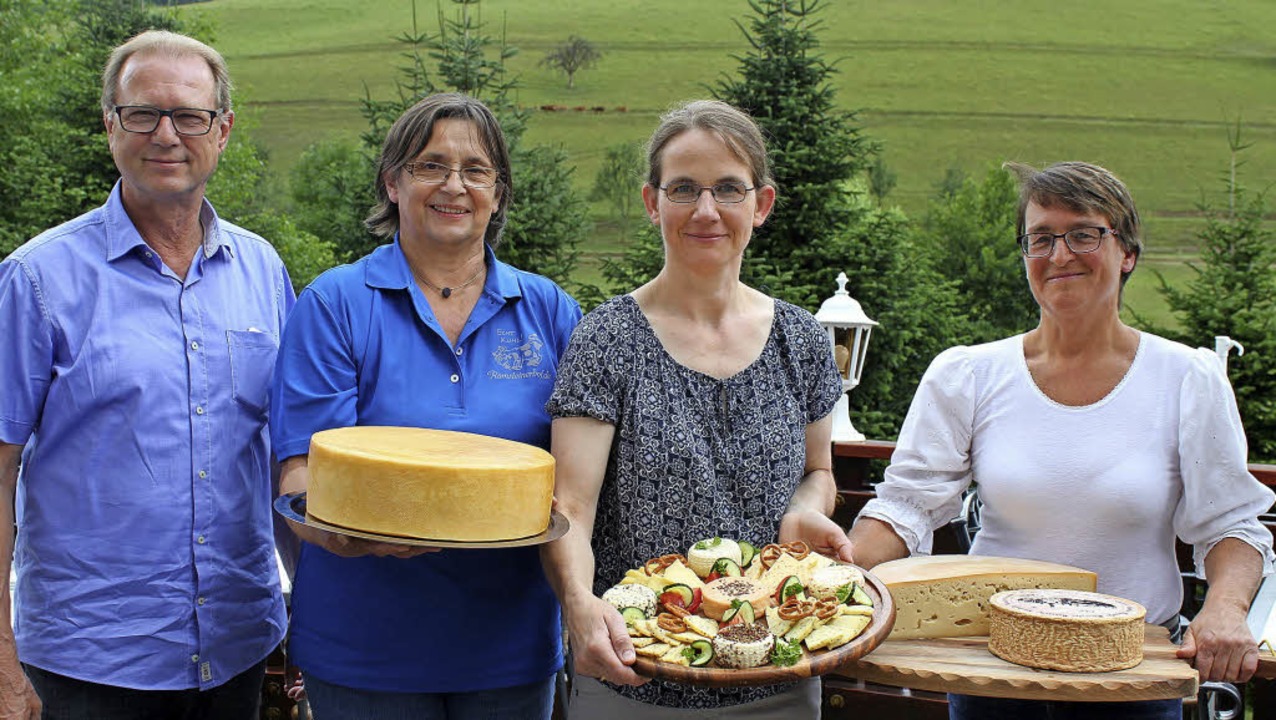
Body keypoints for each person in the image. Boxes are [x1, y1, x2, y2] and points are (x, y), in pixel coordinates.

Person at [847, 161, 1275, 720]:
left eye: (1083, 234)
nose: (1059, 255)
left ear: (1128, 254)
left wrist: (1223, 608)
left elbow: (1230, 525)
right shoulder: (968, 374)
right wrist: (842, 578)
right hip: (992, 673)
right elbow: (907, 506)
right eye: (1040, 238)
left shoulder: (1187, 379)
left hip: (1131, 676)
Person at [0, 30, 292, 720]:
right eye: (142, 114)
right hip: (88, 660)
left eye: (189, 116)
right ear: (110, 126)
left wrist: (313, 610)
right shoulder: (37, 280)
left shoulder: (264, 273)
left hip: (237, 647)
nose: (167, 134)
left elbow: (288, 458)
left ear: (221, 131)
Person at [270, 92, 581, 719]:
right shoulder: (337, 303)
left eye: (476, 170)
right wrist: (354, 537)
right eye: (430, 165)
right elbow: (301, 474)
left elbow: (578, 481)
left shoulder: (549, 310)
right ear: (392, 182)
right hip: (363, 647)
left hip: (510, 646)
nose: (454, 186)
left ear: (498, 192)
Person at [541, 99, 851, 717]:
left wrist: (804, 513)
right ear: (652, 203)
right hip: (633, 672)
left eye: (728, 190)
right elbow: (570, 505)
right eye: (684, 189)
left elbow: (819, 471)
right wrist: (578, 599)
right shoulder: (607, 339)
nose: (706, 211)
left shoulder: (801, 339)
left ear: (759, 206)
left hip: (779, 672)